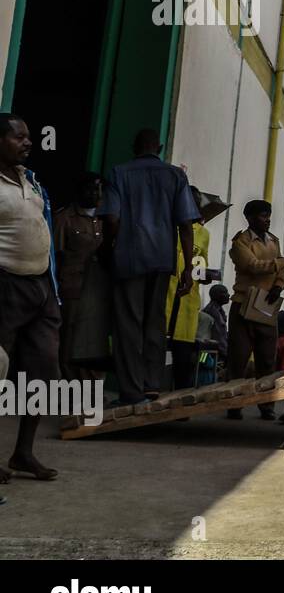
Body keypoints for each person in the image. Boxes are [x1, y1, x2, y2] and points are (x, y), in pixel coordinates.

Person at [102, 129, 201, 405]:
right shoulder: (175, 176)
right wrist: (188, 268)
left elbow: (111, 219)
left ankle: (132, 391)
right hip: (162, 260)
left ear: (134, 146)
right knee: (155, 323)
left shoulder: (119, 173)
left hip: (129, 259)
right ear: (159, 147)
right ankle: (151, 385)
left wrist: (108, 249)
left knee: (128, 326)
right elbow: (186, 224)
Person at [0, 113, 60, 481]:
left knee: (42, 369)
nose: (28, 142)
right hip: (6, 285)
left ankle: (23, 452)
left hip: (41, 287)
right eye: (18, 137)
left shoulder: (31, 179)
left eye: (29, 136)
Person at [226, 199, 284, 419]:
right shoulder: (240, 243)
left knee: (267, 359)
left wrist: (278, 286)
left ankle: (266, 406)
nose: (267, 220)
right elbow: (253, 266)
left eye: (268, 215)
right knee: (238, 359)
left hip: (266, 306)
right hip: (243, 305)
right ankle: (234, 405)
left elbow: (281, 272)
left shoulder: (273, 240)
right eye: (262, 216)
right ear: (249, 218)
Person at [52, 173, 106, 380]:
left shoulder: (106, 218)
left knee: (95, 340)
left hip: (99, 291)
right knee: (70, 340)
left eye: (98, 189)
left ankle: (92, 387)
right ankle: (69, 386)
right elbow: (55, 257)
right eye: (90, 189)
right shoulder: (64, 218)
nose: (95, 194)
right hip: (72, 288)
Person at [165, 186, 212, 389]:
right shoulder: (167, 226)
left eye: (196, 203)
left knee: (183, 353)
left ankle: (180, 395)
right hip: (165, 295)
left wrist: (204, 276)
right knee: (156, 345)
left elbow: (201, 266)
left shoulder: (203, 234)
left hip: (187, 298)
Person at [202, 283, 230, 359]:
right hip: (209, 353)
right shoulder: (213, 312)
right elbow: (218, 336)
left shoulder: (218, 310)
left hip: (212, 350)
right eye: (225, 292)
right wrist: (227, 354)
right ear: (217, 295)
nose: (228, 295)